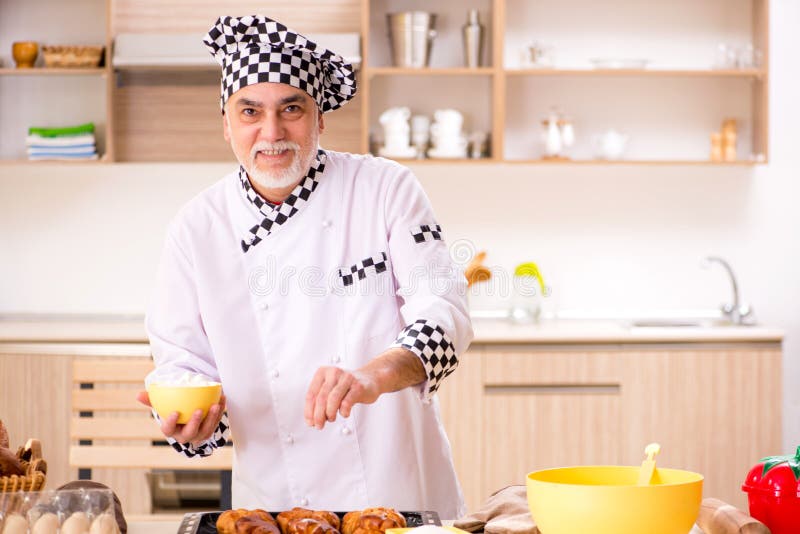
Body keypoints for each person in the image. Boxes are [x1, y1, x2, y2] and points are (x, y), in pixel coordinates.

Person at [137, 15, 473, 518]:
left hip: (398, 492)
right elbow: (184, 363)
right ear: (227, 124)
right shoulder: (195, 228)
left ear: (319, 119)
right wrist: (196, 424)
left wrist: (372, 376)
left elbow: (445, 312)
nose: (271, 133)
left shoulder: (385, 189)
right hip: (274, 507)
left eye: (290, 108)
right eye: (250, 111)